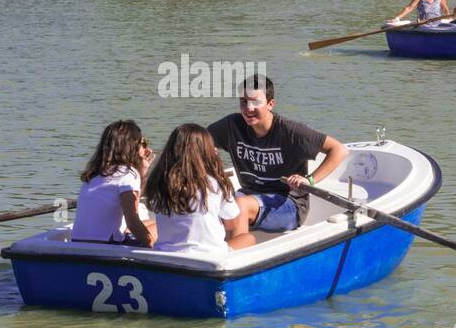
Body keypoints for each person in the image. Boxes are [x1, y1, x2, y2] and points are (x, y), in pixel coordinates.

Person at [209, 75, 348, 238]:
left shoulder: (291, 132)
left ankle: (235, 254)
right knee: (204, 200)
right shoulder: (232, 125)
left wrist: (309, 180)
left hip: (289, 203)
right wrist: (208, 154)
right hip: (249, 193)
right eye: (243, 101)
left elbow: (339, 150)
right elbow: (195, 142)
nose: (248, 108)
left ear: (270, 104)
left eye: (255, 102)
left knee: (240, 206)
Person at [145, 124, 253, 254]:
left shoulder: (159, 182)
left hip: (167, 253)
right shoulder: (216, 182)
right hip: (208, 255)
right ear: (206, 151)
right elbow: (232, 224)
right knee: (248, 238)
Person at [71, 120, 156, 245]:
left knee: (151, 222)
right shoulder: (128, 173)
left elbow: (130, 199)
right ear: (133, 146)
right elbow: (132, 222)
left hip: (77, 241)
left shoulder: (95, 173)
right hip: (107, 245)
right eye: (143, 143)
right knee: (162, 227)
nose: (147, 148)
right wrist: (153, 245)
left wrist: (142, 172)